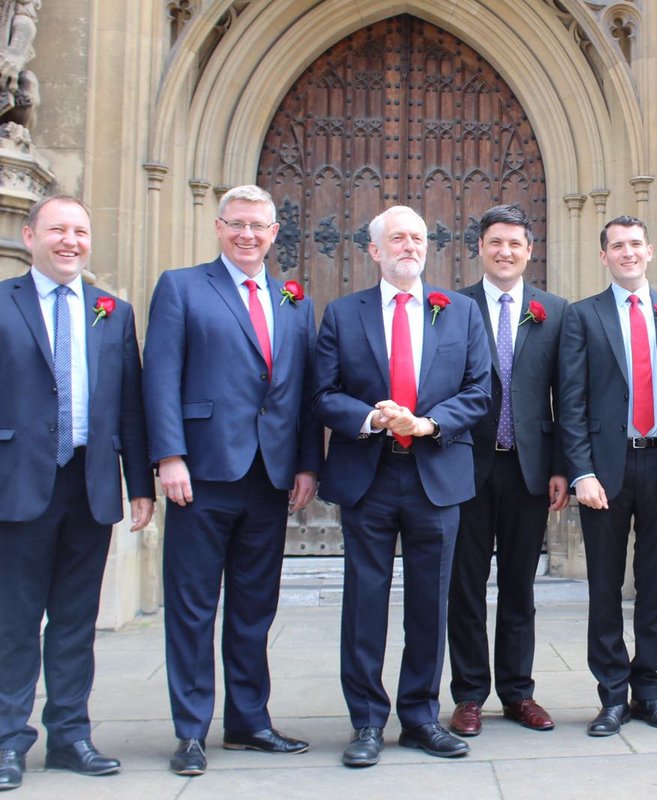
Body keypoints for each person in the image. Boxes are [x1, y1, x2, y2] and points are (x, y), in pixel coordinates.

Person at [142, 185, 323, 777]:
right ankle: (191, 731)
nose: (248, 235)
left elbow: (299, 394)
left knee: (254, 607)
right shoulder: (182, 286)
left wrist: (305, 464)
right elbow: (161, 376)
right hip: (202, 473)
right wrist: (169, 455)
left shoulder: (294, 300)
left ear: (276, 233)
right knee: (193, 608)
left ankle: (248, 721)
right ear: (219, 226)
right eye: (237, 223)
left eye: (260, 226)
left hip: (268, 478)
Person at [313, 205, 490, 764]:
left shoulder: (459, 312)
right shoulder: (344, 314)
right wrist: (372, 417)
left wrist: (427, 423)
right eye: (397, 238)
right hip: (369, 474)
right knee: (365, 602)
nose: (409, 245)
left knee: (429, 604)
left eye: (417, 237)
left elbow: (480, 390)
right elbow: (323, 393)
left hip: (435, 474)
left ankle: (418, 716)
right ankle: (366, 721)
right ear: (375, 251)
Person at [0, 196, 154, 791]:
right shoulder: (5, 302)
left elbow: (131, 405)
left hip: (88, 483)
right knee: (14, 621)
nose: (71, 241)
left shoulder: (112, 312)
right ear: (29, 235)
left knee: (74, 620)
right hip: (17, 483)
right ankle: (9, 741)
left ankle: (69, 735)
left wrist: (138, 484)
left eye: (81, 231)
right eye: (58, 230)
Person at [558, 215, 657, 736]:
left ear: (649, 252)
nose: (627, 253)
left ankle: (649, 692)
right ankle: (611, 697)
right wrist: (580, 472)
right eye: (617, 246)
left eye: (635, 245)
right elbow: (572, 403)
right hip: (606, 470)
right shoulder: (582, 316)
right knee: (604, 586)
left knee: (654, 586)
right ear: (604, 256)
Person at [447, 204, 568, 737]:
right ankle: (470, 695)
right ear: (479, 248)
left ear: (529, 249)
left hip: (529, 469)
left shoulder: (555, 311)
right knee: (465, 587)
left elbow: (569, 396)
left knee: (520, 587)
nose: (505, 251)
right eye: (495, 242)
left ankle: (518, 693)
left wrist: (563, 467)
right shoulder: (452, 307)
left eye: (515, 243)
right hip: (465, 467)